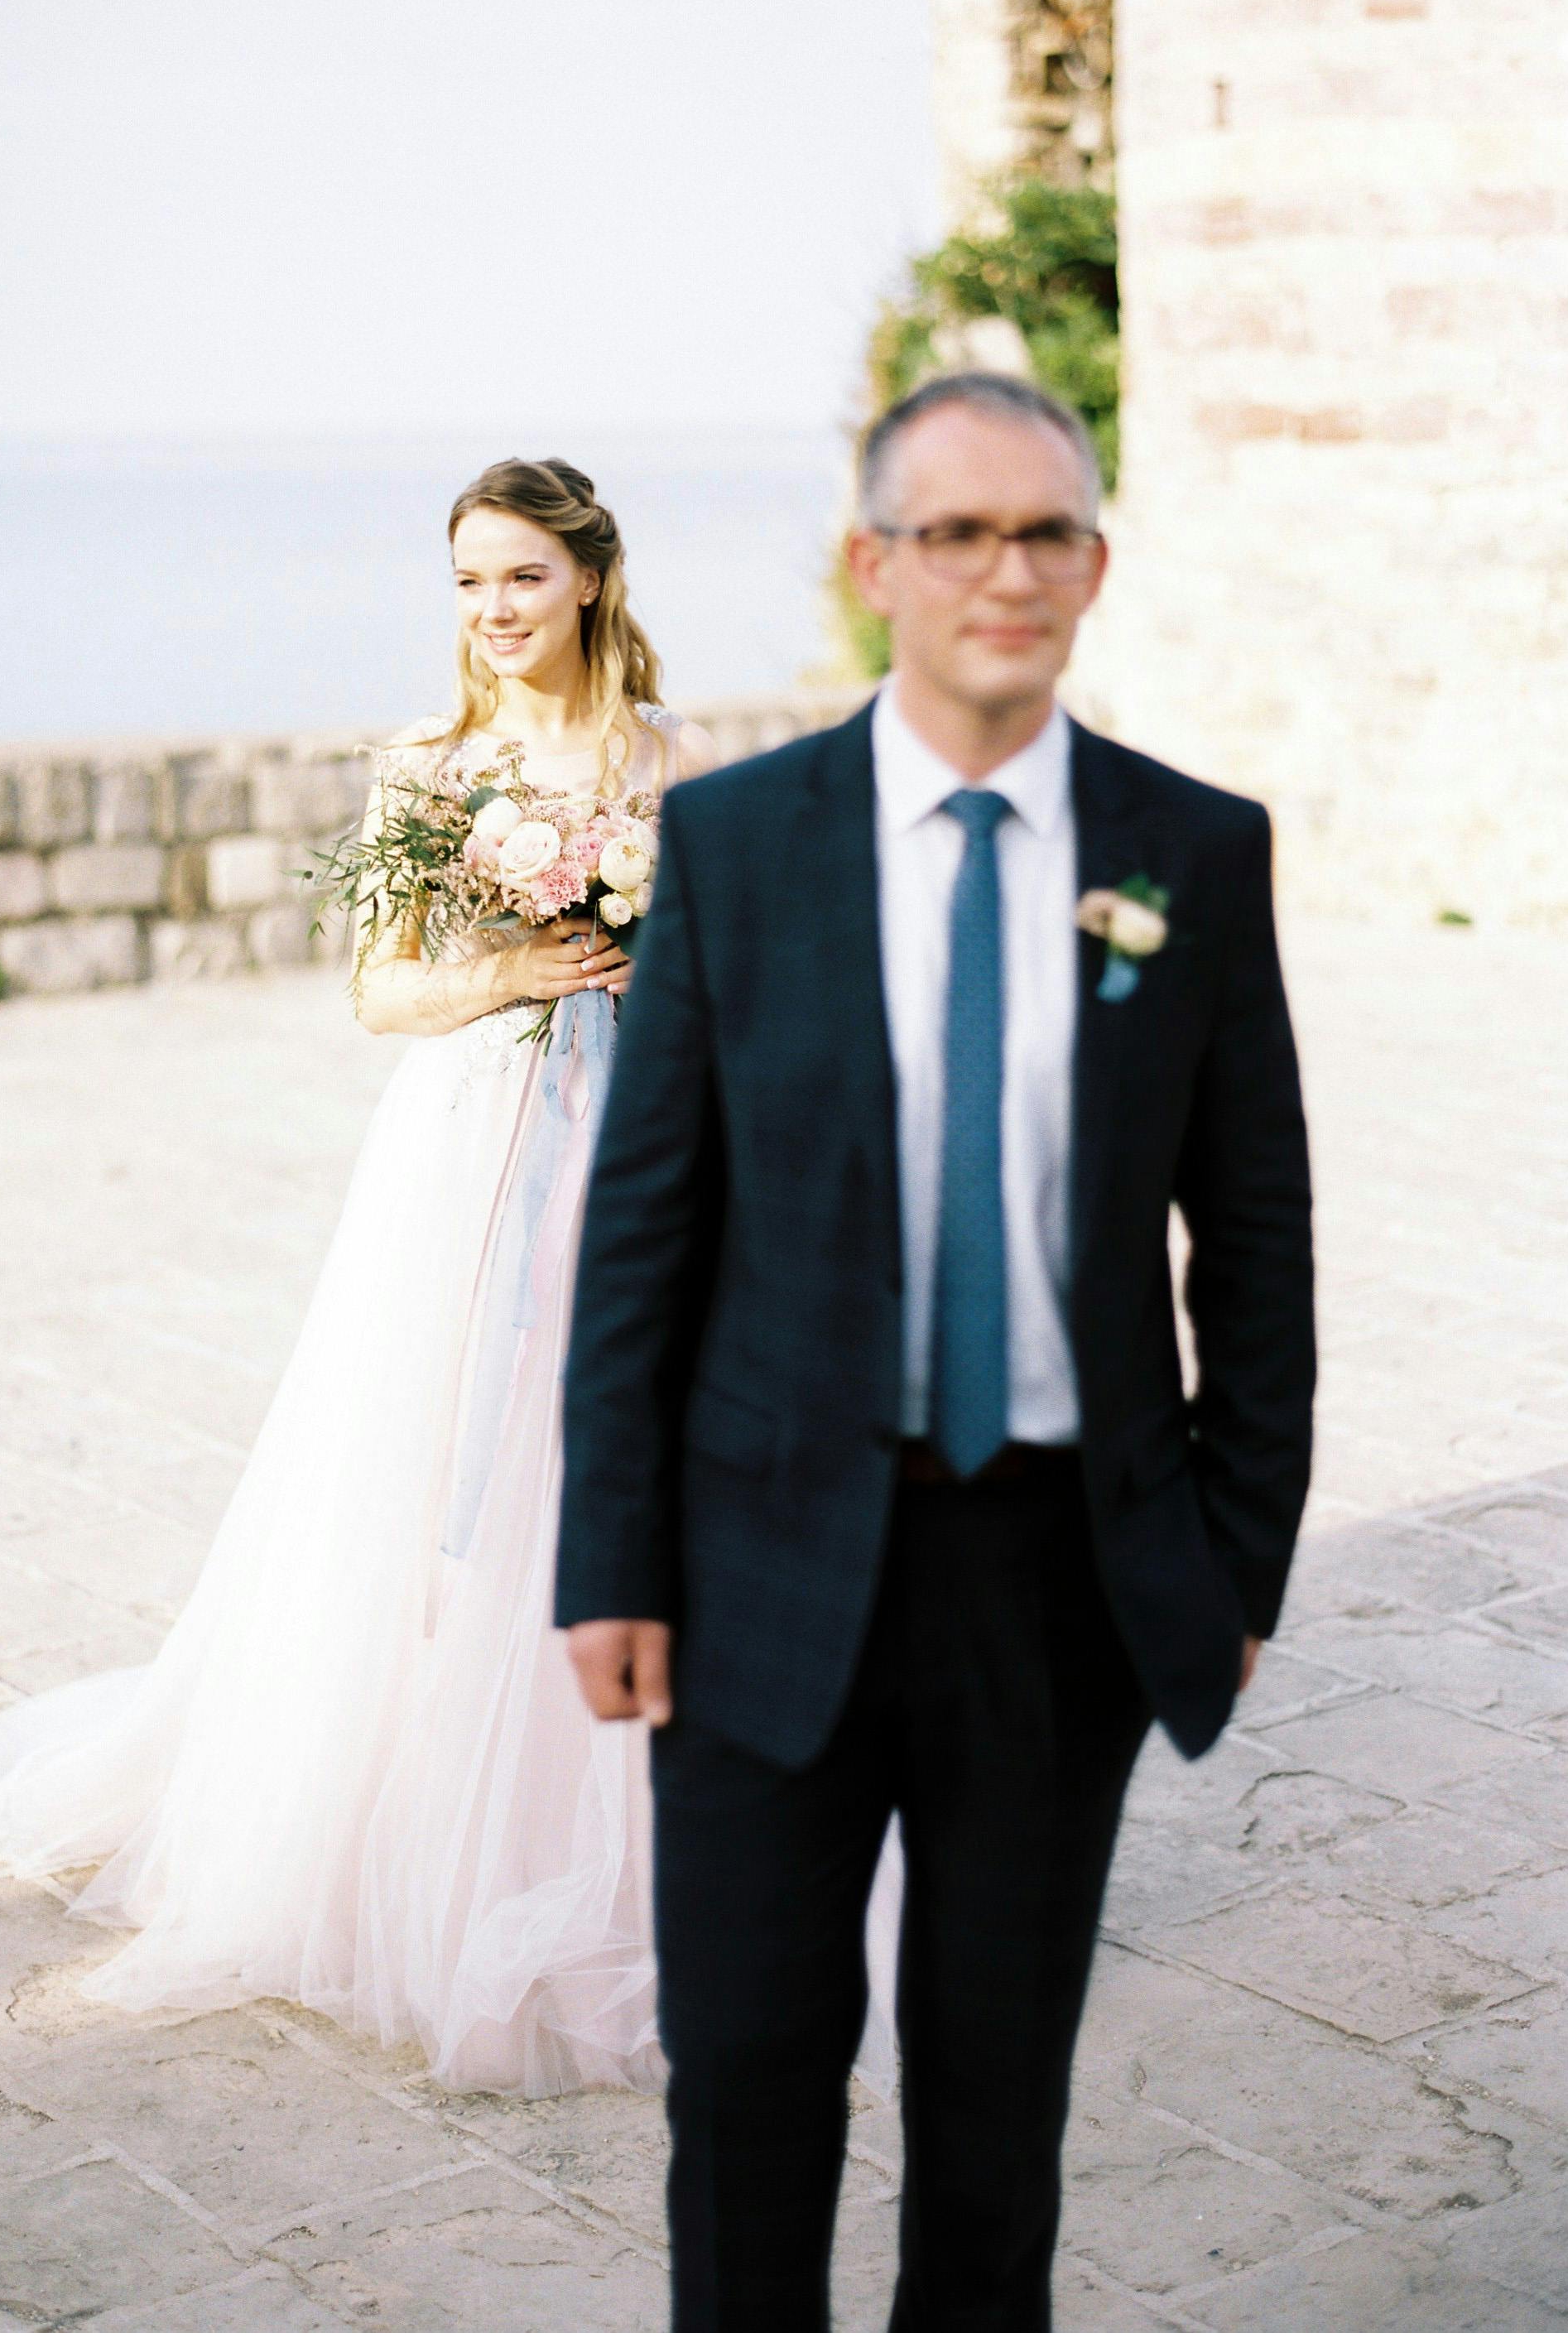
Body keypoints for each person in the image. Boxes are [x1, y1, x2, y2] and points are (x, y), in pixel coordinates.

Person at [556, 373, 1315, 2330]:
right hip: (756, 1565)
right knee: (743, 2088)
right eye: (957, 531)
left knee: (992, 2118)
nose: (1006, 571)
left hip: (1056, 1583)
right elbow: (643, 1227)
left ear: (1094, 567)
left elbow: (1251, 1242)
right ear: (870, 562)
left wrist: (1233, 1563)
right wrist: (610, 1556)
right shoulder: (738, 841)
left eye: (1044, 531)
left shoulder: (1189, 851)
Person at [0, 455, 719, 2095]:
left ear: (588, 575)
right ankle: (413, 1799)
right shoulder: (429, 766)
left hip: (631, 1143)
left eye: (521, 574)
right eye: (467, 580)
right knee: (437, 1458)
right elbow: (380, 990)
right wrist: (516, 964)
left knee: (615, 1453)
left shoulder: (666, 759)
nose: (493, 609)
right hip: (470, 1143)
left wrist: (653, 973)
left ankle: (611, 1802)